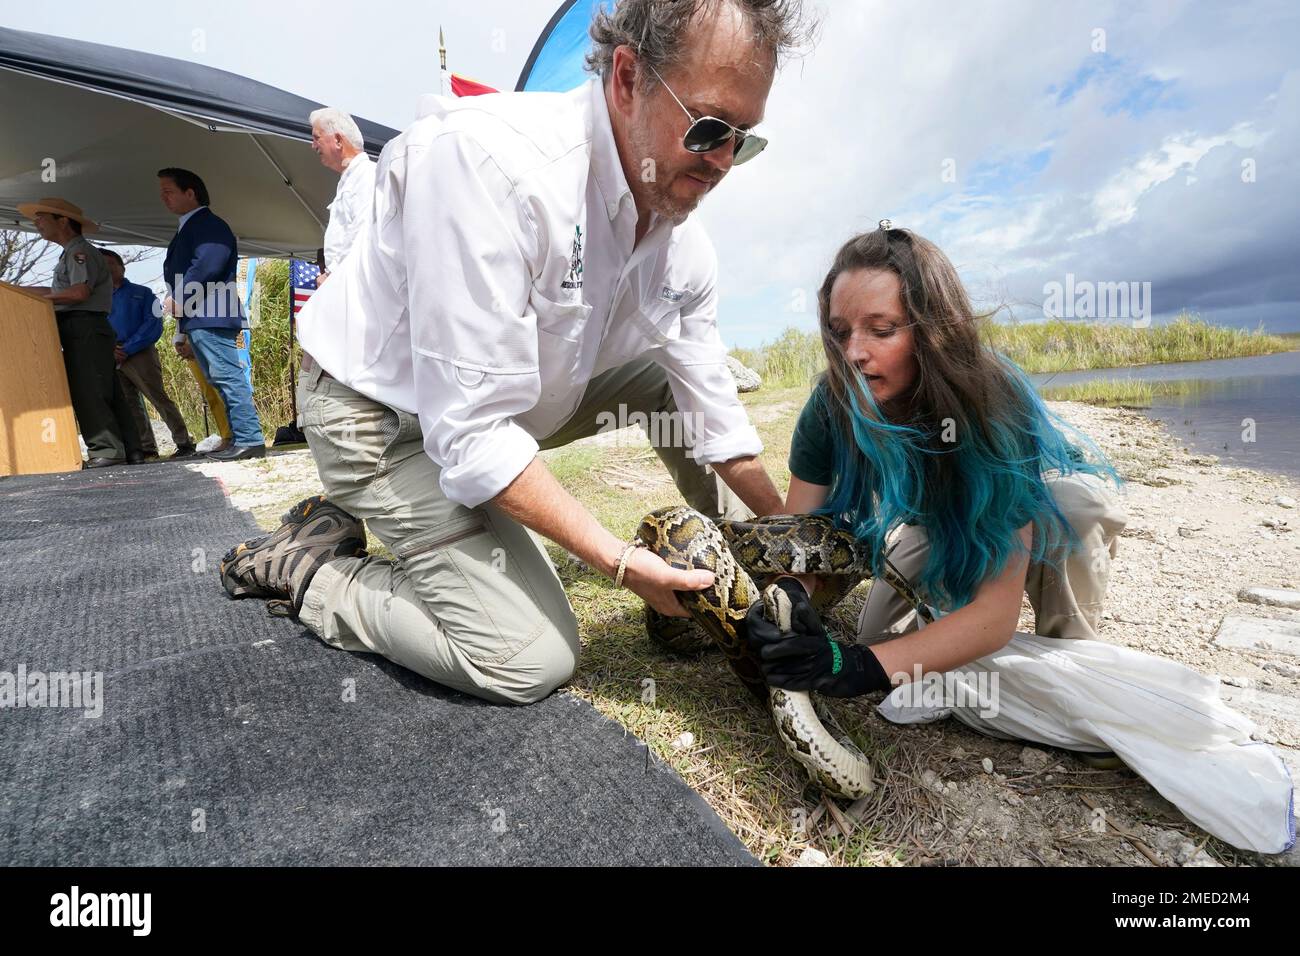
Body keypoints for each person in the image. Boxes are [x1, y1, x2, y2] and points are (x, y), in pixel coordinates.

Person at [220, 0, 814, 705]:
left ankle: (744, 571)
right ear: (627, 78)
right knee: (529, 655)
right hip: (378, 420)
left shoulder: (683, 244)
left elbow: (712, 409)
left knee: (663, 379)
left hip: (497, 404)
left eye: (744, 140)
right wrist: (621, 562)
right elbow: (470, 435)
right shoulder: (490, 166)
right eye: (710, 128)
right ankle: (310, 572)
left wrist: (790, 544)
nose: (722, 163)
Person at [745, 224, 1127, 712]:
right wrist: (790, 595)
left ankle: (1075, 653)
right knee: (880, 637)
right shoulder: (829, 404)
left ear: (933, 330)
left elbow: (995, 614)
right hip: (927, 517)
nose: (854, 353)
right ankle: (957, 627)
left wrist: (858, 667)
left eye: (882, 330)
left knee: (1076, 507)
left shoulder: (992, 401)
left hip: (1028, 506)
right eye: (840, 332)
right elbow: (797, 538)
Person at [16, 197, 143, 468]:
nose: (36, 223)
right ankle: (131, 448)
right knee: (107, 389)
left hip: (82, 325)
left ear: (62, 220)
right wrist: (20, 293)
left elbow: (78, 292)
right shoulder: (73, 252)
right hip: (88, 327)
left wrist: (43, 297)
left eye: (41, 217)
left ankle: (106, 449)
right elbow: (65, 292)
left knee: (89, 389)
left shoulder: (79, 252)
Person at [158, 167, 265, 461]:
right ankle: (237, 437)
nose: (163, 198)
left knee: (227, 376)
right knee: (219, 378)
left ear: (190, 193)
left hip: (211, 312)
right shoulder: (190, 227)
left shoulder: (208, 224)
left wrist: (181, 297)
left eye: (168, 191)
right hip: (200, 315)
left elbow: (208, 262)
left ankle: (250, 438)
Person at [101, 248, 196, 458]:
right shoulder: (98, 297)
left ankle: (184, 443)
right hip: (112, 355)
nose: (107, 269)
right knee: (129, 405)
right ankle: (146, 448)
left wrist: (128, 348)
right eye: (102, 266)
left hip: (140, 354)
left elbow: (153, 325)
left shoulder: (143, 293)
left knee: (158, 398)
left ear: (122, 267)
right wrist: (110, 348)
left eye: (111, 264)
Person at [310, 107, 375, 284]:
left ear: (338, 140)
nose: (313, 145)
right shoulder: (351, 180)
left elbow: (363, 232)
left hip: (353, 286)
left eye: (317, 138)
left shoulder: (367, 176)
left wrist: (332, 275)